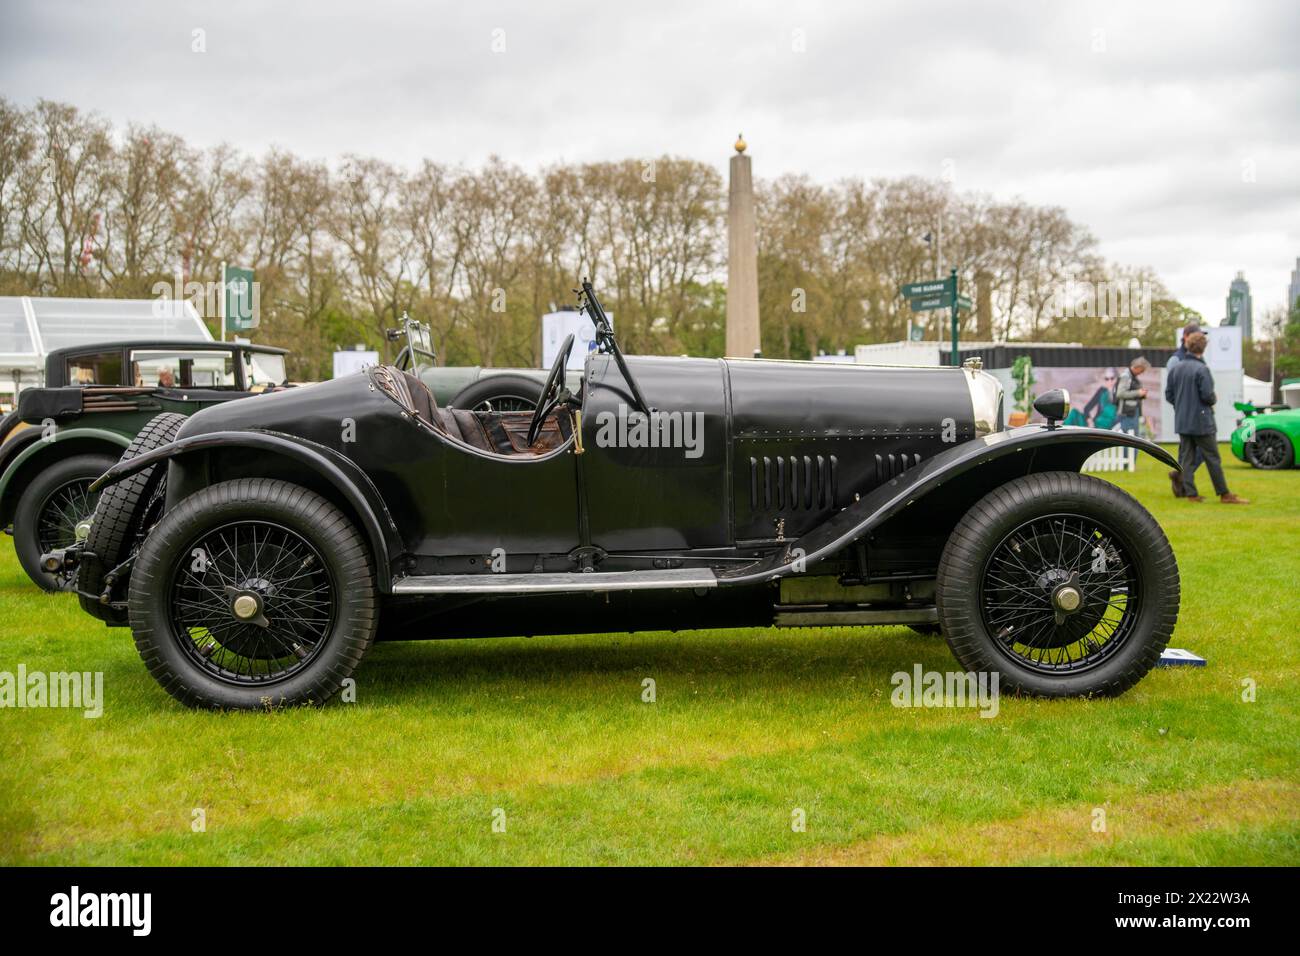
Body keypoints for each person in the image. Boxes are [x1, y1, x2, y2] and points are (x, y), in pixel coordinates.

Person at [1164, 331, 1248, 504]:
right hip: (1202, 421)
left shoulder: (1176, 368)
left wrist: (1181, 407)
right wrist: (1214, 398)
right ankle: (1224, 494)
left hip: (1182, 420)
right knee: (1212, 458)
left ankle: (1191, 494)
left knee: (1186, 459)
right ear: (1203, 348)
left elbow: (1169, 394)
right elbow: (1208, 396)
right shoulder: (1202, 369)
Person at [1164, 322, 1202, 496]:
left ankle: (1180, 477)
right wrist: (1183, 407)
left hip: (1199, 414)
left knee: (1197, 452)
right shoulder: (1175, 360)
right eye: (1197, 335)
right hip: (1186, 414)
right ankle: (1183, 484)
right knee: (1189, 452)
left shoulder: (1199, 358)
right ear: (1186, 336)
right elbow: (1171, 391)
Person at [1115, 356, 1150, 435]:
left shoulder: (1132, 377)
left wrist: (1142, 394)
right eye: (1142, 370)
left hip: (1132, 412)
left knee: (1134, 438)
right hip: (1127, 413)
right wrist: (1138, 393)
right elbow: (1120, 393)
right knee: (1127, 437)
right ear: (1138, 367)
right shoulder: (1126, 376)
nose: (1143, 372)